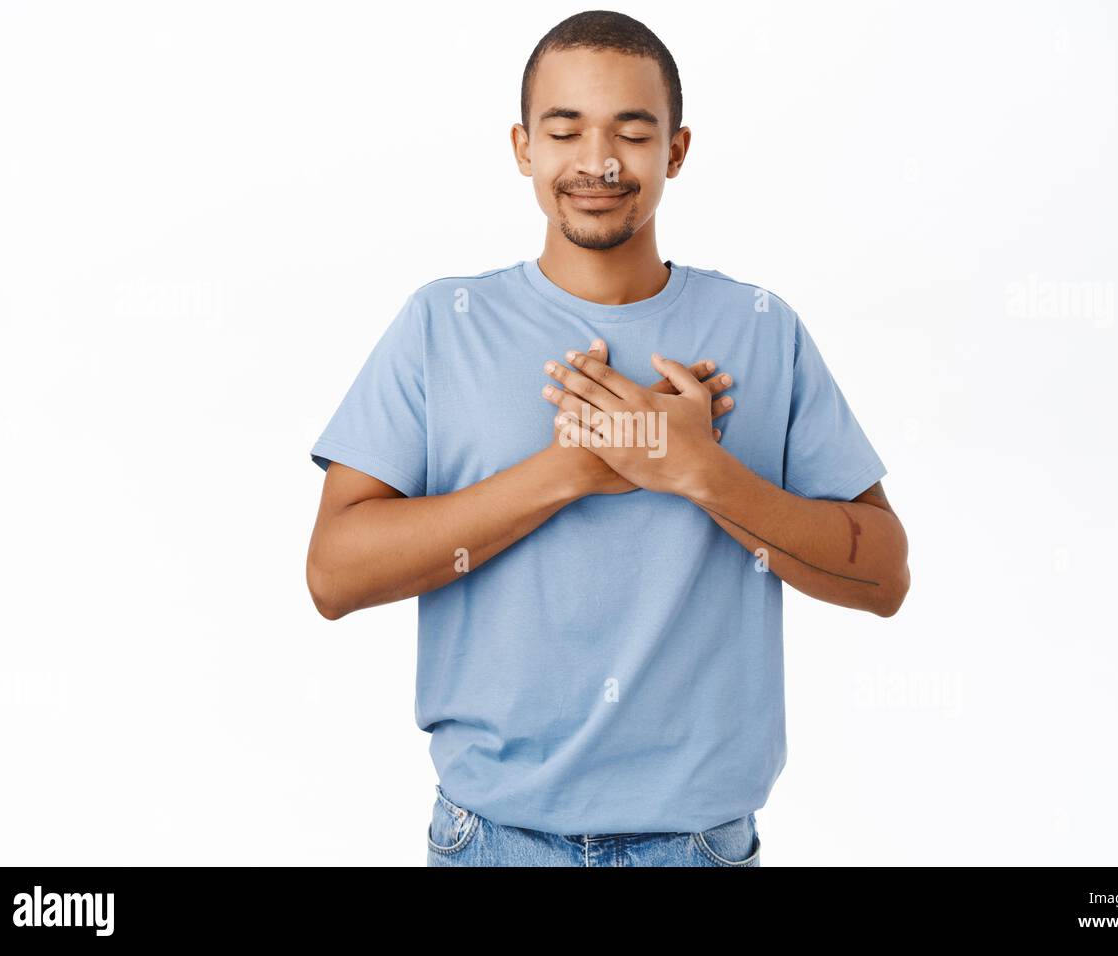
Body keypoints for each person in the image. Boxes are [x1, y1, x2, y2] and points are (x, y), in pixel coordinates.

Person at [306, 10, 910, 867]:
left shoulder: (762, 330)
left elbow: (883, 574)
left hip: (700, 845)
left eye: (633, 131)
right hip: (490, 841)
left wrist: (702, 473)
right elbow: (332, 575)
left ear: (677, 150)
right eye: (565, 131)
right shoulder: (442, 324)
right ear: (523, 147)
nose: (599, 161)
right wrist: (572, 470)